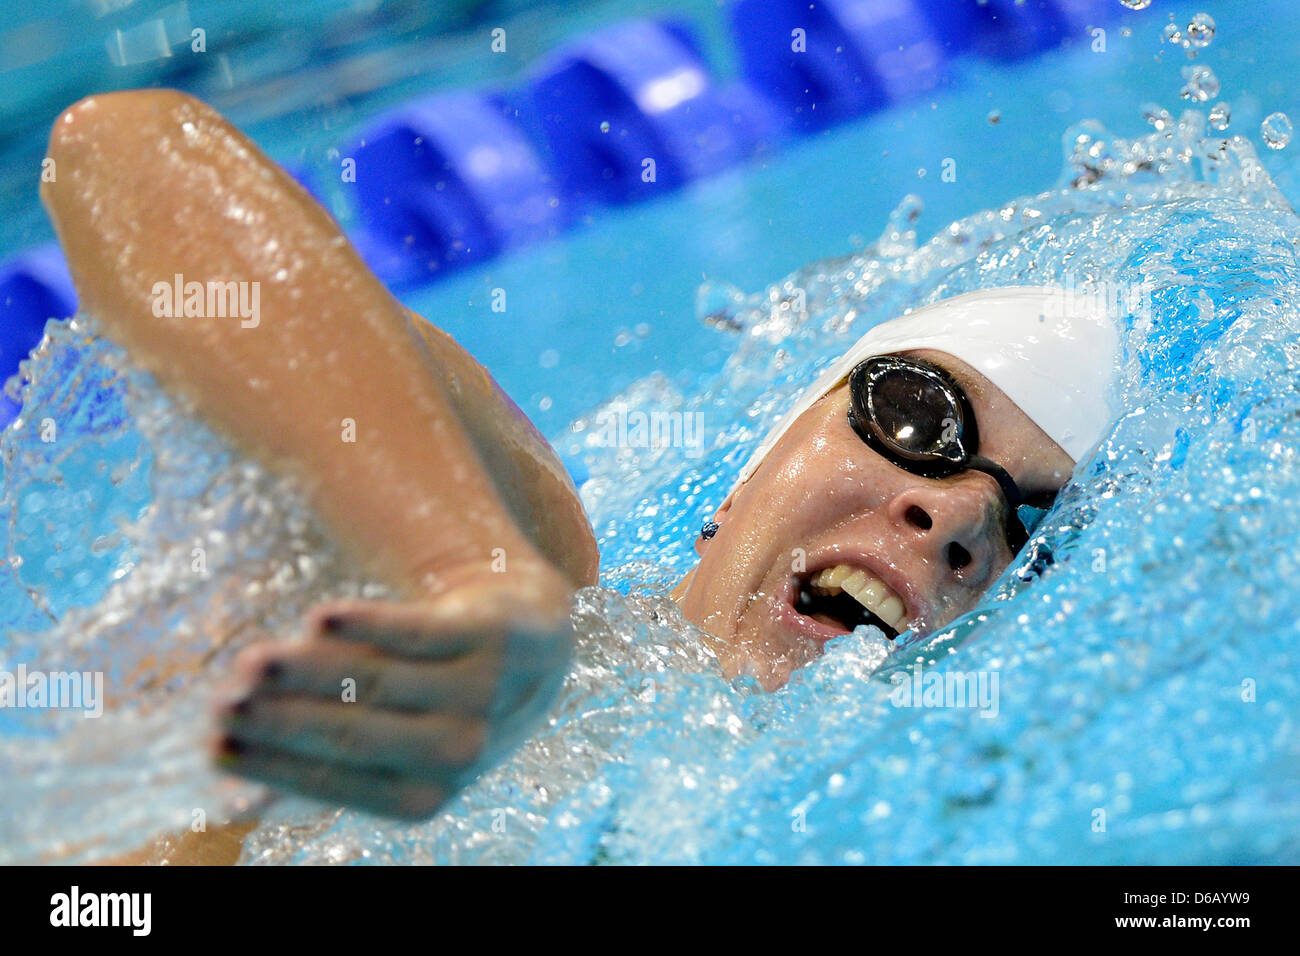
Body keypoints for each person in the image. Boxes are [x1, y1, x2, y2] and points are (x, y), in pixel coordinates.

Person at [38, 90, 1120, 847]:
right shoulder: (538, 581)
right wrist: (470, 571)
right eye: (917, 415)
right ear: (745, 479)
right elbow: (124, 154)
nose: (956, 512)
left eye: (1029, 528)